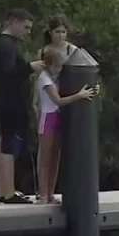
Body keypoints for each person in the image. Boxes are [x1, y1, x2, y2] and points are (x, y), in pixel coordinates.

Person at [0, 8, 44, 204]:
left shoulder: (2, 44)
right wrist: (30, 67)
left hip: (3, 102)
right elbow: (8, 73)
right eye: (26, 27)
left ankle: (4, 189)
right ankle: (7, 192)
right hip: (9, 103)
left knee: (2, 141)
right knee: (7, 145)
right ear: (13, 22)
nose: (28, 32)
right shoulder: (5, 45)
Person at [35, 47, 97, 204]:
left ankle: (50, 193)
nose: (59, 69)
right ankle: (43, 194)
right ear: (48, 65)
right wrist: (79, 95)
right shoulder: (45, 79)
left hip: (58, 118)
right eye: (57, 66)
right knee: (46, 159)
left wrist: (92, 87)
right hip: (48, 119)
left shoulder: (57, 78)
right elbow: (58, 101)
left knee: (55, 158)